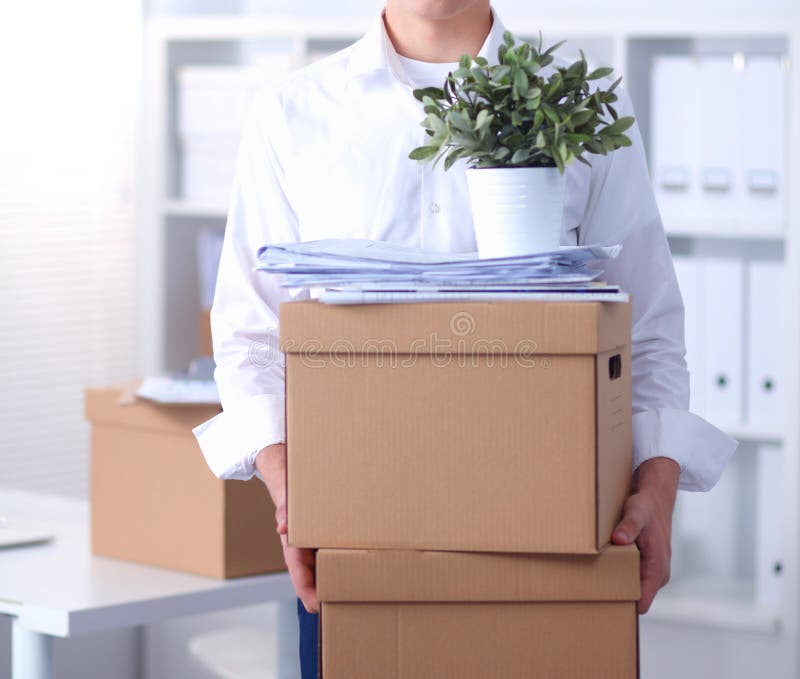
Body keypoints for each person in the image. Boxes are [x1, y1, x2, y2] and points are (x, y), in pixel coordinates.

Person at [193, 1, 737, 676]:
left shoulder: (581, 101)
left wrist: (657, 490)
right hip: (358, 550)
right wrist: (289, 490)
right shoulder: (296, 113)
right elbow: (249, 330)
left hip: (560, 555)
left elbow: (646, 323)